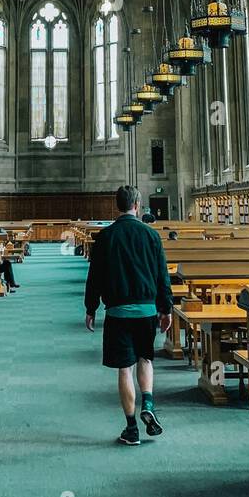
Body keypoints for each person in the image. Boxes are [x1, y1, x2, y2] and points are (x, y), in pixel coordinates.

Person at [84, 185, 173, 445]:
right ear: (137, 203)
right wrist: (165, 307)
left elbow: (95, 277)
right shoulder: (151, 235)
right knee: (145, 359)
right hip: (146, 310)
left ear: (117, 205)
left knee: (125, 368)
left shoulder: (106, 237)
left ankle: (131, 428)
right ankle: (148, 402)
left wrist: (91, 308)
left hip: (118, 312)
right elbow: (162, 275)